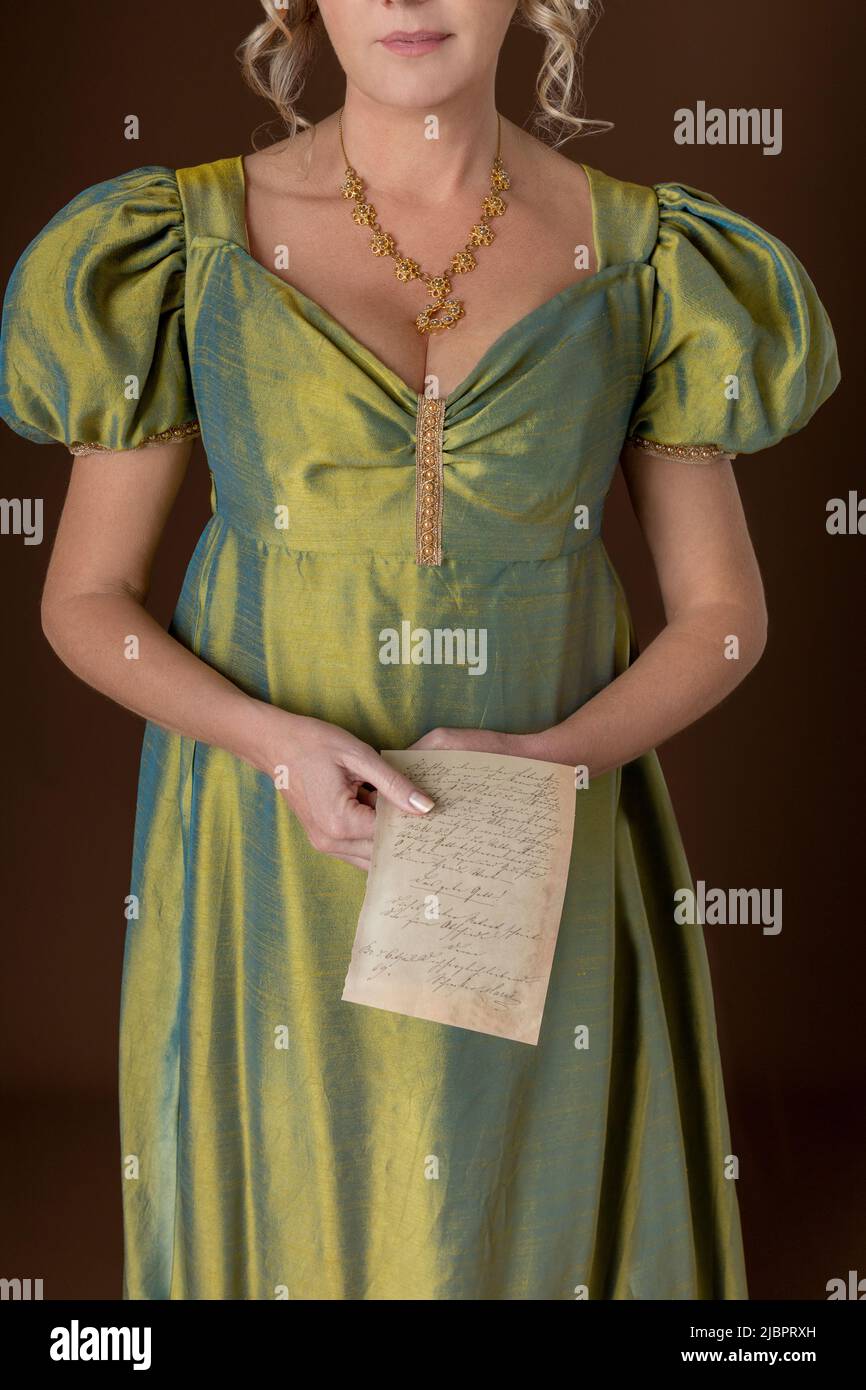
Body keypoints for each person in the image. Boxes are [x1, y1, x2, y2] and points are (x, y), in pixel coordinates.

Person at [0, 0, 840, 1299]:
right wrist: (269, 739)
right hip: (267, 851)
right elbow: (84, 597)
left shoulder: (646, 257)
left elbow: (722, 615)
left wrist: (543, 769)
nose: (403, 1)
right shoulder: (182, 245)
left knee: (515, 1219)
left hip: (540, 830)